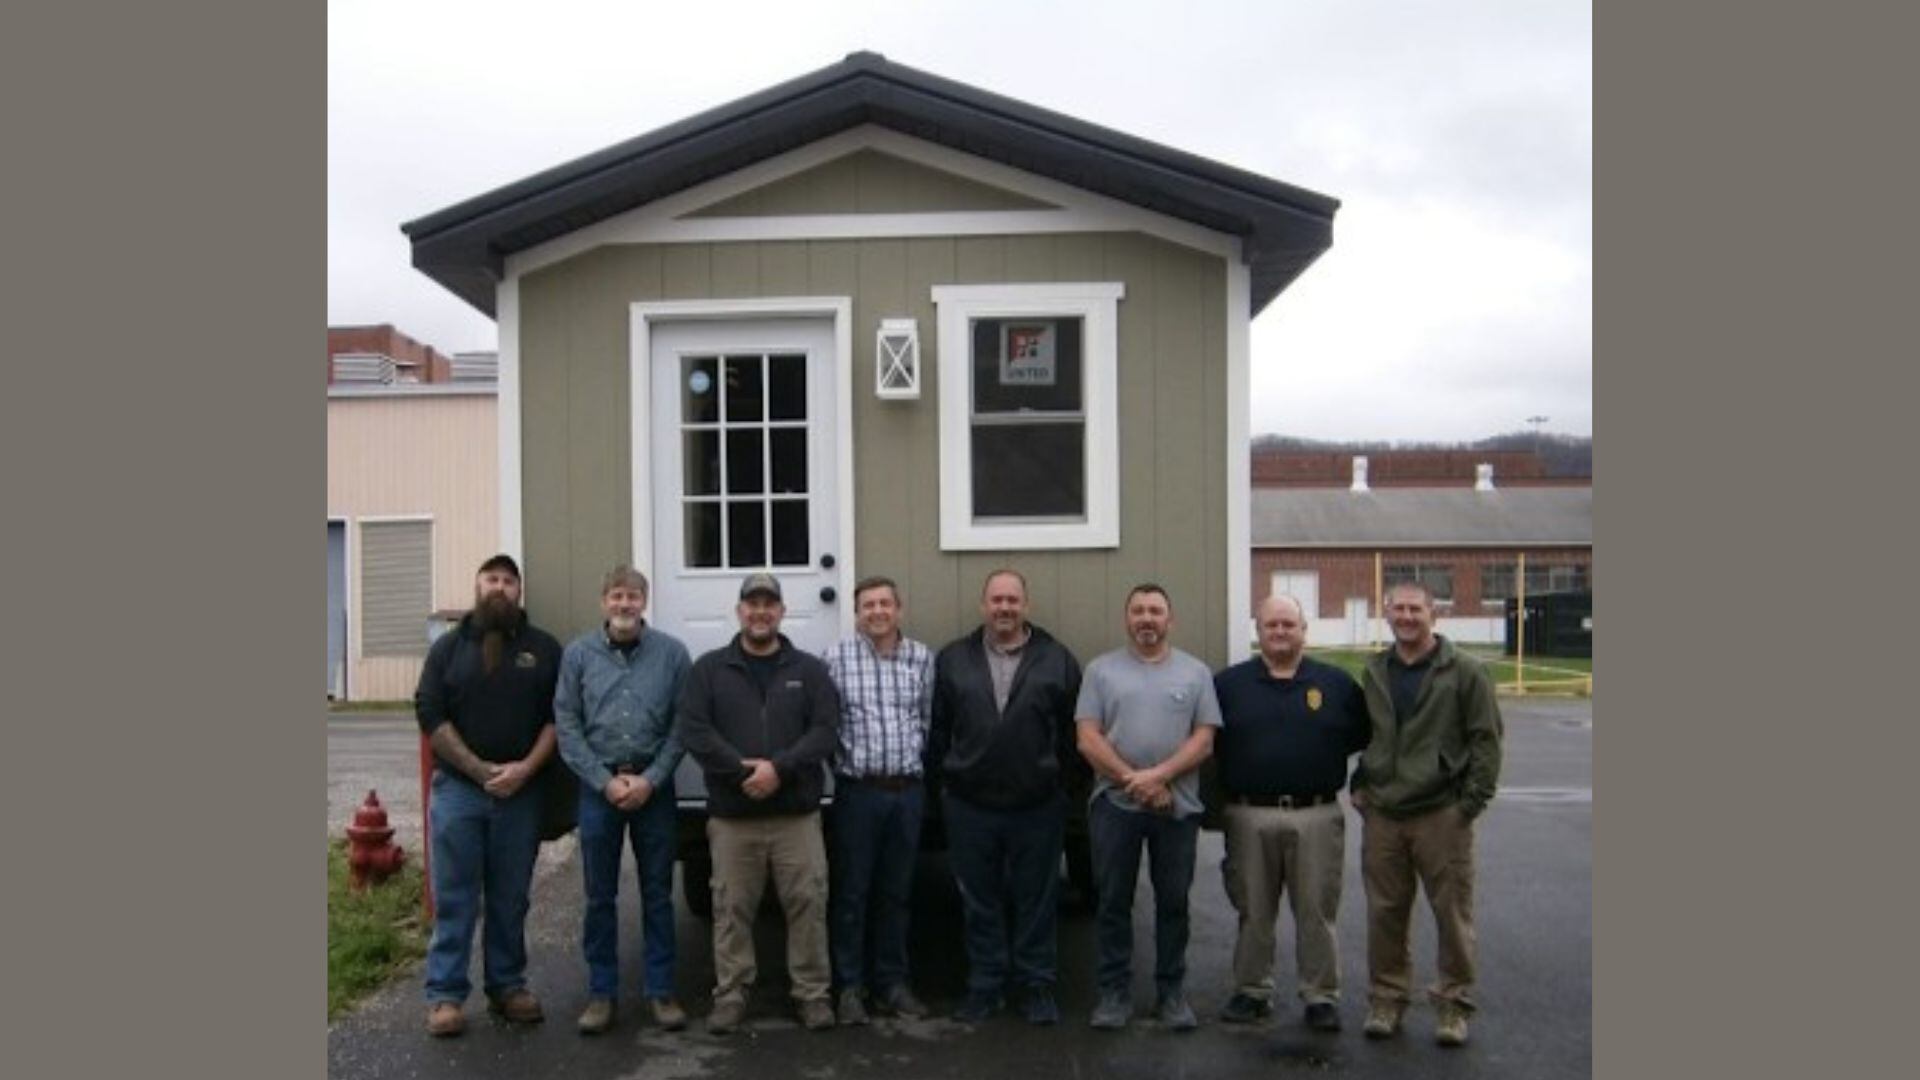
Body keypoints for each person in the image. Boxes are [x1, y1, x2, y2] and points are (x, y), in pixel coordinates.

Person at [677, 572, 842, 1034]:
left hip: (796, 815)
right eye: (753, 604)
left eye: (770, 604)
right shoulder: (709, 669)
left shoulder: (810, 670)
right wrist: (740, 770)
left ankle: (812, 994)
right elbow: (694, 730)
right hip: (734, 817)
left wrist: (779, 769)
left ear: (782, 612)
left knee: (808, 904)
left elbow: (825, 731)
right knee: (731, 908)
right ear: (740, 611)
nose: (761, 612)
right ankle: (731, 995)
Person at [414, 554, 563, 1037]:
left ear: (519, 590)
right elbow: (430, 712)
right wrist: (478, 770)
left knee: (510, 897)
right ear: (477, 587)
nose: (500, 587)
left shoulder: (543, 649)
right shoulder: (448, 649)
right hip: (459, 792)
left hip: (521, 794)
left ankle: (507, 987)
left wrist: (524, 770)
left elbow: (559, 718)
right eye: (491, 579)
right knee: (455, 897)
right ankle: (445, 995)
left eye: (508, 581)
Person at [1350, 580, 1504, 1047]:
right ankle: (1386, 999)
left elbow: (1486, 740)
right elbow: (1372, 735)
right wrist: (1361, 783)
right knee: (1385, 913)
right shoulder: (1375, 670)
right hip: (1384, 813)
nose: (1406, 617)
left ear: (1433, 614)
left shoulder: (1465, 671)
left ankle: (1453, 1006)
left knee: (1452, 914)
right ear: (1387, 613)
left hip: (1442, 813)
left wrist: (1468, 805)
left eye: (1415, 609)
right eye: (1398, 609)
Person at [928, 568, 1084, 1026]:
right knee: (979, 901)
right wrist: (946, 786)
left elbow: (1075, 734)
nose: (1004, 608)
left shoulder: (1056, 659)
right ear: (984, 605)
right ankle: (985, 985)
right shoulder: (953, 659)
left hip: (1038, 804)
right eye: (996, 600)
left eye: (1012, 600)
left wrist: (1060, 786)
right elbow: (937, 731)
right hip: (969, 804)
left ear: (1026, 606)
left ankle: (1036, 986)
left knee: (1037, 899)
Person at [1211, 594, 1370, 1032]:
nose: (1280, 632)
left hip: (1316, 814)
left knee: (1317, 909)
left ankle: (1321, 996)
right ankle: (1251, 991)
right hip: (1249, 815)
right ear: (1258, 631)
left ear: (1304, 630)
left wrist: (1361, 782)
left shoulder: (1337, 685)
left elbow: (1369, 739)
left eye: (1288, 624)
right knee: (1253, 909)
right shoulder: (1228, 685)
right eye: (1271, 625)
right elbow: (1208, 745)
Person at [1073, 584, 1221, 1032]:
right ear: (1127, 619)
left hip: (1176, 806)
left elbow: (1204, 740)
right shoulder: (1100, 671)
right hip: (1114, 807)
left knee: (1173, 902)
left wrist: (1160, 777)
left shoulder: (1195, 673)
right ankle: (1113, 994)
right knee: (1112, 901)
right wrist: (1134, 783)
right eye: (1138, 610)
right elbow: (1088, 738)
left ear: (1169, 620)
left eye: (1155, 611)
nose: (1146, 618)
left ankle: (1171, 993)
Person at [554, 565, 693, 1035]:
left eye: (633, 596)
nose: (624, 604)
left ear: (644, 602)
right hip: (600, 789)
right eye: (616, 596)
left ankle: (661, 991)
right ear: (603, 602)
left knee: (658, 893)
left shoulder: (672, 654)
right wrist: (603, 781)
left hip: (654, 788)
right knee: (599, 896)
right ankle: (601, 993)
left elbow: (682, 724)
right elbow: (567, 724)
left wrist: (651, 779)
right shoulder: (578, 655)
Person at [822, 576, 935, 1025]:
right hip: (858, 793)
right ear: (857, 614)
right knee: (852, 892)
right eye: (868, 605)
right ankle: (849, 987)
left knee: (897, 892)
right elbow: (827, 724)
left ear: (898, 609)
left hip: (907, 793)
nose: (877, 612)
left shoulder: (921, 658)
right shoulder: (835, 659)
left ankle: (892, 983)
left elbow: (927, 720)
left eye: (885, 604)